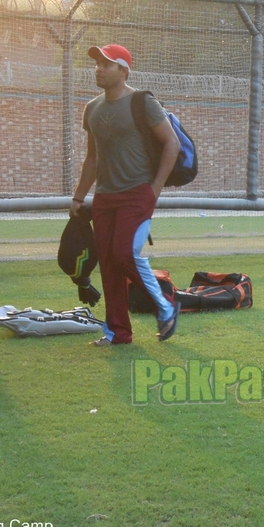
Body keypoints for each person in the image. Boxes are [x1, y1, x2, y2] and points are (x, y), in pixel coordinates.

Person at [70, 44, 181, 345]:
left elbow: (172, 144)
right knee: (108, 263)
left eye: (106, 64)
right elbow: (92, 157)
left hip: (137, 194)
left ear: (123, 70)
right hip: (105, 198)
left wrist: (154, 189)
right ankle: (118, 333)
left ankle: (166, 305)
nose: (98, 69)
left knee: (124, 253)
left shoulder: (142, 102)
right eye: (97, 64)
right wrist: (79, 197)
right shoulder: (92, 109)